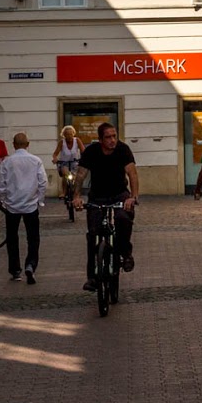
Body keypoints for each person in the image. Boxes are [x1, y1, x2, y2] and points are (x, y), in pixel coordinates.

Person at [76, 123, 139, 292]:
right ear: (100, 140)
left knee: (123, 218)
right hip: (97, 196)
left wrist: (133, 197)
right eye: (108, 137)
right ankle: (92, 278)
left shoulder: (123, 149)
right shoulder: (91, 151)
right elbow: (80, 174)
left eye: (114, 136)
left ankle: (125, 253)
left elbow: (132, 173)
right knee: (93, 234)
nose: (112, 140)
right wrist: (76, 196)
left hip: (119, 194)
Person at [0, 132, 47, 283]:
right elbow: (43, 182)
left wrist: (4, 200)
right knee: (33, 238)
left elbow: (0, 184)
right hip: (31, 205)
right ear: (28, 144)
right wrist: (40, 200)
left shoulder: (7, 162)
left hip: (12, 205)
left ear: (13, 145)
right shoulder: (36, 161)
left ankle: (15, 270)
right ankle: (31, 264)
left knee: (12, 238)